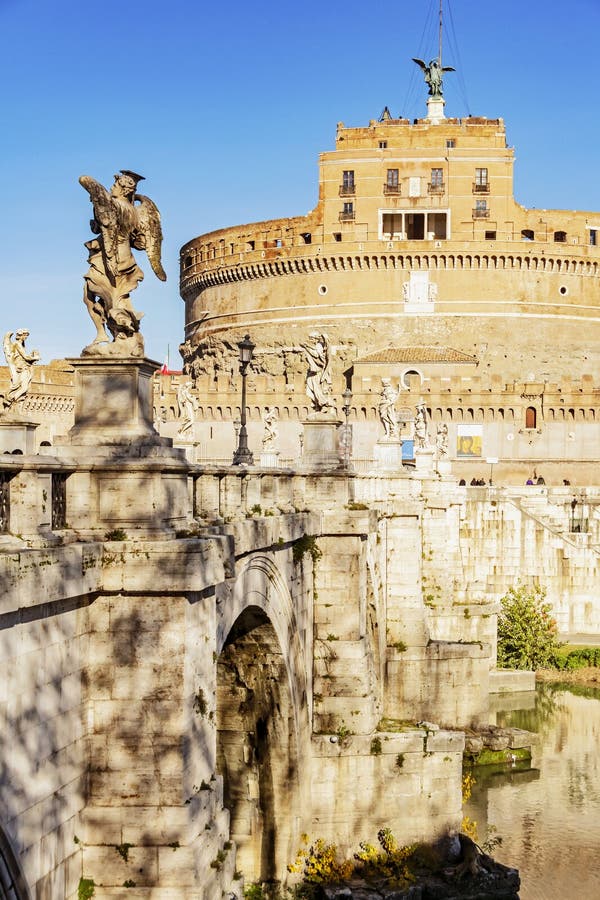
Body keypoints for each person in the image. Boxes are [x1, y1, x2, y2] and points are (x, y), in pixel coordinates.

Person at [79, 170, 166, 355]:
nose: (112, 188)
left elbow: (107, 225)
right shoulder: (137, 210)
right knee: (118, 300)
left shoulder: (115, 205)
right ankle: (125, 334)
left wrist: (97, 201)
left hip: (111, 259)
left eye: (116, 185)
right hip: (126, 258)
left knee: (90, 297)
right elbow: (137, 242)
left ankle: (103, 334)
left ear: (124, 189)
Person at [2, 329, 40, 410]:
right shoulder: (17, 344)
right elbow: (25, 356)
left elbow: (24, 357)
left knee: (24, 387)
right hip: (20, 368)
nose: (26, 337)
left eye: (27, 335)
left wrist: (32, 357)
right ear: (21, 335)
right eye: (25, 335)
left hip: (24, 367)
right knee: (22, 387)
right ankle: (12, 400)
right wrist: (35, 357)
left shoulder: (21, 345)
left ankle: (13, 401)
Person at [301, 332, 333, 412]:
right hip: (313, 372)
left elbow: (316, 355)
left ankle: (323, 403)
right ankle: (317, 405)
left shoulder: (319, 345)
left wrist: (306, 348)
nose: (310, 340)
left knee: (317, 388)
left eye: (311, 338)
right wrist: (307, 346)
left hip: (318, 372)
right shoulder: (316, 346)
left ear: (316, 338)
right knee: (312, 388)